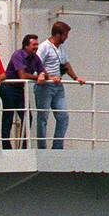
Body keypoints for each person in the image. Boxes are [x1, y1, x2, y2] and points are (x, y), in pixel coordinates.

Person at [35, 21, 86, 150]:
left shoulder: (61, 48)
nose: (66, 37)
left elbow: (65, 64)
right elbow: (38, 65)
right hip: (45, 86)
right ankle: (41, 147)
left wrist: (75, 77)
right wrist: (50, 77)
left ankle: (57, 147)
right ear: (58, 34)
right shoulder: (44, 47)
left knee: (63, 116)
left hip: (58, 86)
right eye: (65, 35)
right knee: (43, 117)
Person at [1, 34, 43, 149]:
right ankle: (6, 147)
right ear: (26, 46)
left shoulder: (35, 58)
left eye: (37, 44)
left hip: (20, 89)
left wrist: (43, 74)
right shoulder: (18, 55)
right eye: (34, 45)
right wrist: (38, 77)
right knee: (8, 117)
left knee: (27, 116)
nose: (36, 47)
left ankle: (23, 146)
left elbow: (42, 71)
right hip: (8, 88)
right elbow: (22, 75)